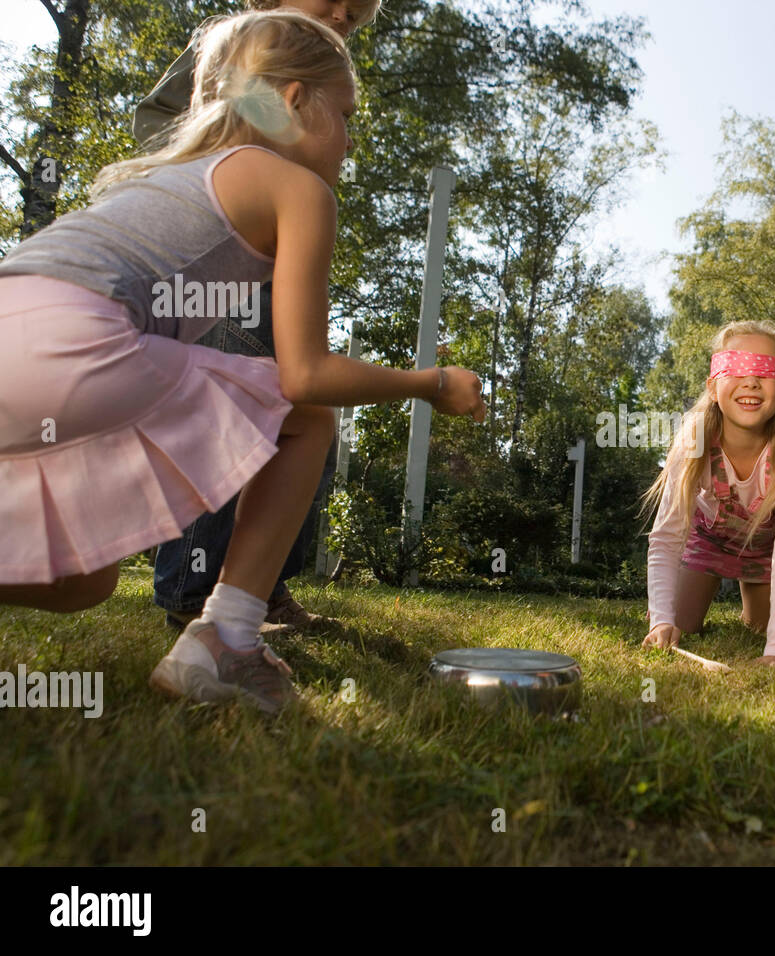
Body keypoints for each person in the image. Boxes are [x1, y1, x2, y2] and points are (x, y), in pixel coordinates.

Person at [0, 10, 486, 715]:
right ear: (292, 101)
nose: (349, 141)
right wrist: (432, 383)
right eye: (344, 117)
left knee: (83, 580)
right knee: (309, 419)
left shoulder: (171, 174)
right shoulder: (298, 191)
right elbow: (305, 376)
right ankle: (226, 638)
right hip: (76, 343)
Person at [135, 0, 383, 635]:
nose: (340, 14)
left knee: (302, 420)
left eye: (354, 14)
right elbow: (160, 122)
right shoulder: (239, 50)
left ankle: (263, 587)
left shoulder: (315, 79)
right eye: (332, 0)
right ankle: (195, 590)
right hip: (216, 258)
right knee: (236, 417)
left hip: (271, 264)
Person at [641, 320, 775, 666]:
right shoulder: (693, 443)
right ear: (713, 387)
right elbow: (667, 538)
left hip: (764, 551)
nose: (750, 380)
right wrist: (660, 620)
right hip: (708, 543)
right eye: (737, 367)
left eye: (764, 370)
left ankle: (755, 609)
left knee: (761, 629)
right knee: (681, 626)